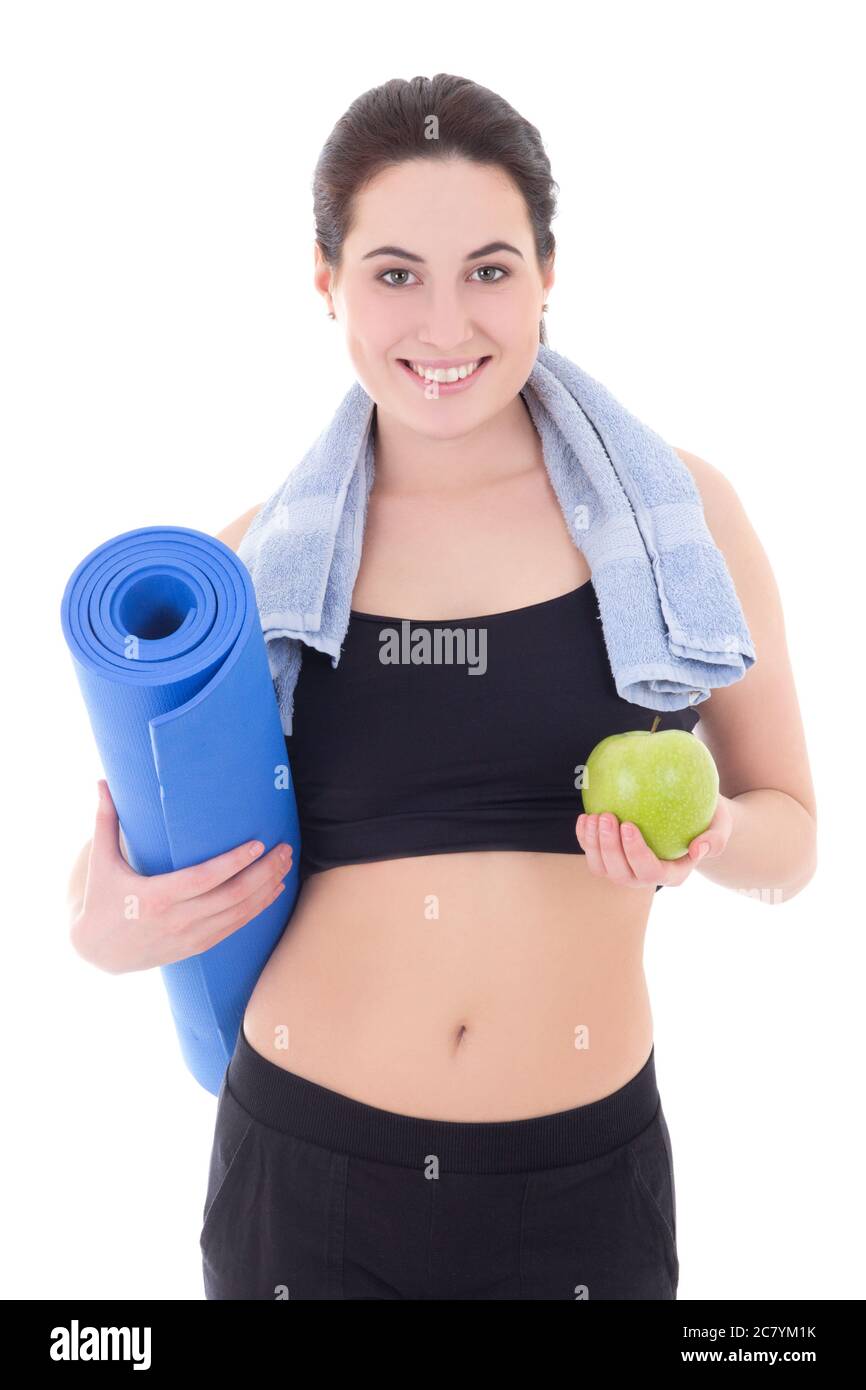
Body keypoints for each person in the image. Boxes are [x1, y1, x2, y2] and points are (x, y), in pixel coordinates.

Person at [67, 74, 818, 1300]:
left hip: (580, 1184)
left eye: (488, 269)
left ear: (545, 274)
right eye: (394, 272)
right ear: (328, 285)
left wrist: (712, 836)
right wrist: (105, 931)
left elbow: (790, 844)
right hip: (303, 1174)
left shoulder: (676, 517)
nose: (445, 322)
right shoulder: (253, 561)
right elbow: (123, 867)